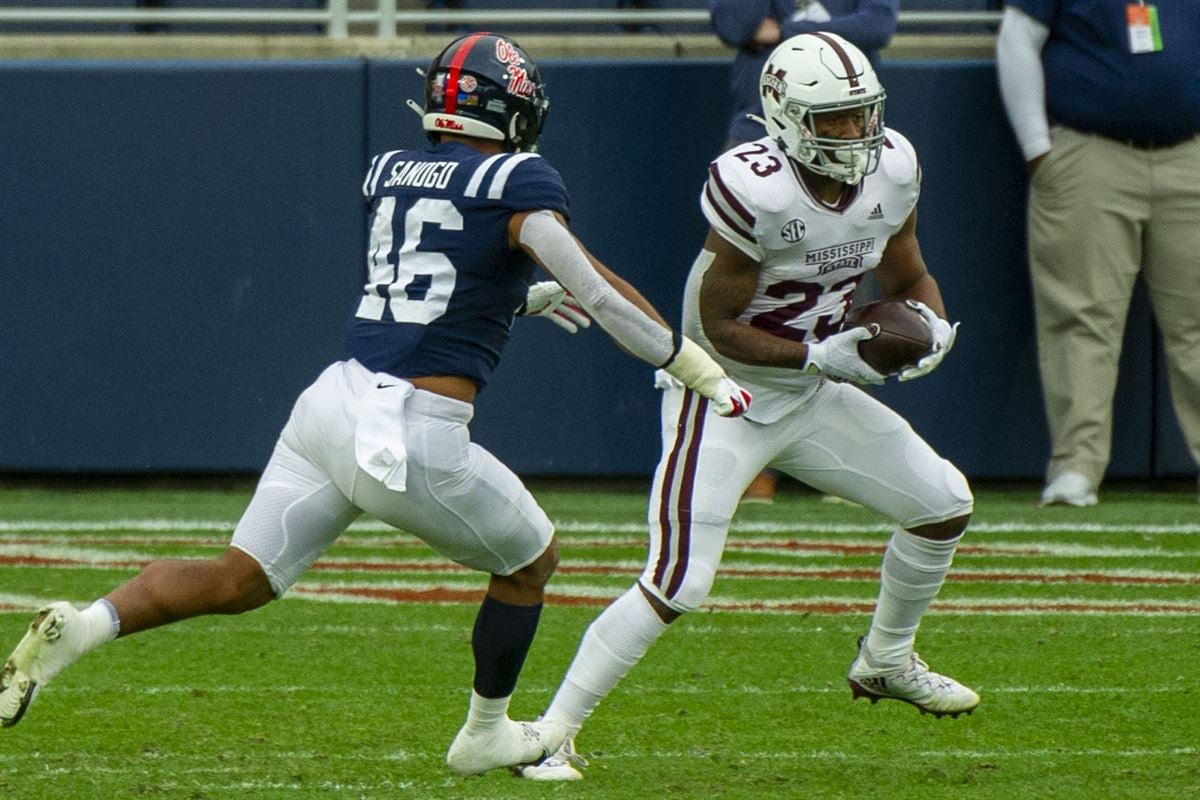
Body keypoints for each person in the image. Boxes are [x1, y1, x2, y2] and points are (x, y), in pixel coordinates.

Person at [0, 32, 752, 777]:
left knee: (239, 578)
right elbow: (592, 287)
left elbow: (435, 286)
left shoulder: (392, 168)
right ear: (513, 112)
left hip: (332, 404)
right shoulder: (519, 182)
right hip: (412, 433)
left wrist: (519, 299)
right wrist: (690, 363)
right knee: (531, 561)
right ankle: (486, 734)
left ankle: (86, 626)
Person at [517, 32, 979, 781]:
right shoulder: (751, 187)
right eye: (835, 120)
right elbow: (712, 329)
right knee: (676, 582)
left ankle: (886, 659)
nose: (857, 134)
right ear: (788, 118)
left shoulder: (894, 166)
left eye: (863, 115)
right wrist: (815, 355)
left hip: (813, 392)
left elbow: (911, 274)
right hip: (724, 395)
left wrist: (930, 327)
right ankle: (549, 735)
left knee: (942, 504)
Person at [996, 3, 1200, 507]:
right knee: (1081, 316)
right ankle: (1076, 466)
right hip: (1089, 153)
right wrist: (1038, 149)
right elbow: (1017, 38)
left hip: (1189, 154)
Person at [710, 0, 899, 502]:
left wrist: (789, 32)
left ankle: (845, 457)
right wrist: (821, 33)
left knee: (846, 289)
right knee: (745, 301)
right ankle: (746, 460)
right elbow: (737, 23)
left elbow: (879, 25)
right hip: (760, 138)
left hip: (846, 138)